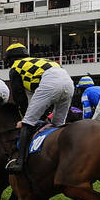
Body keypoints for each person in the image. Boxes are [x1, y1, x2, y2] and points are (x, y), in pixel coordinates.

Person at [5, 44, 74, 174]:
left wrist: (24, 119)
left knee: (28, 122)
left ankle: (20, 163)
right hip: (68, 83)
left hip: (50, 82)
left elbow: (20, 99)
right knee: (58, 125)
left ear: (10, 58)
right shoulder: (38, 61)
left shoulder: (15, 68)